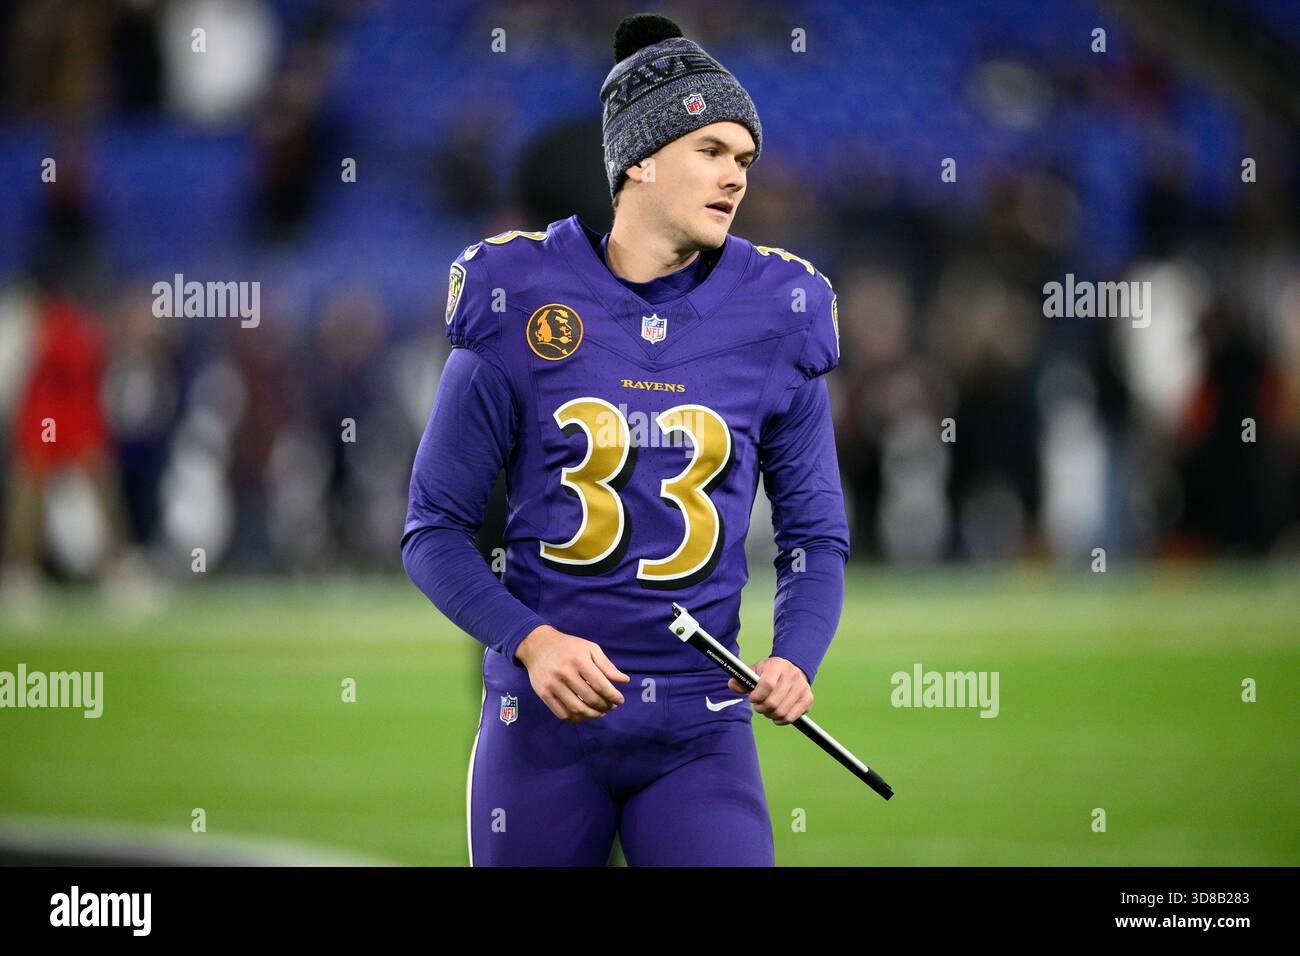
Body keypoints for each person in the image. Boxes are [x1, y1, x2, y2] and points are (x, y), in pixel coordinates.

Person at [403, 14, 848, 866]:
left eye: (744, 160)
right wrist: (531, 640)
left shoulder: (778, 313)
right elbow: (433, 528)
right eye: (711, 151)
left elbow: (814, 535)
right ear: (637, 159)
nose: (734, 178)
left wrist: (795, 655)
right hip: (543, 722)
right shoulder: (520, 296)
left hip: (701, 729)